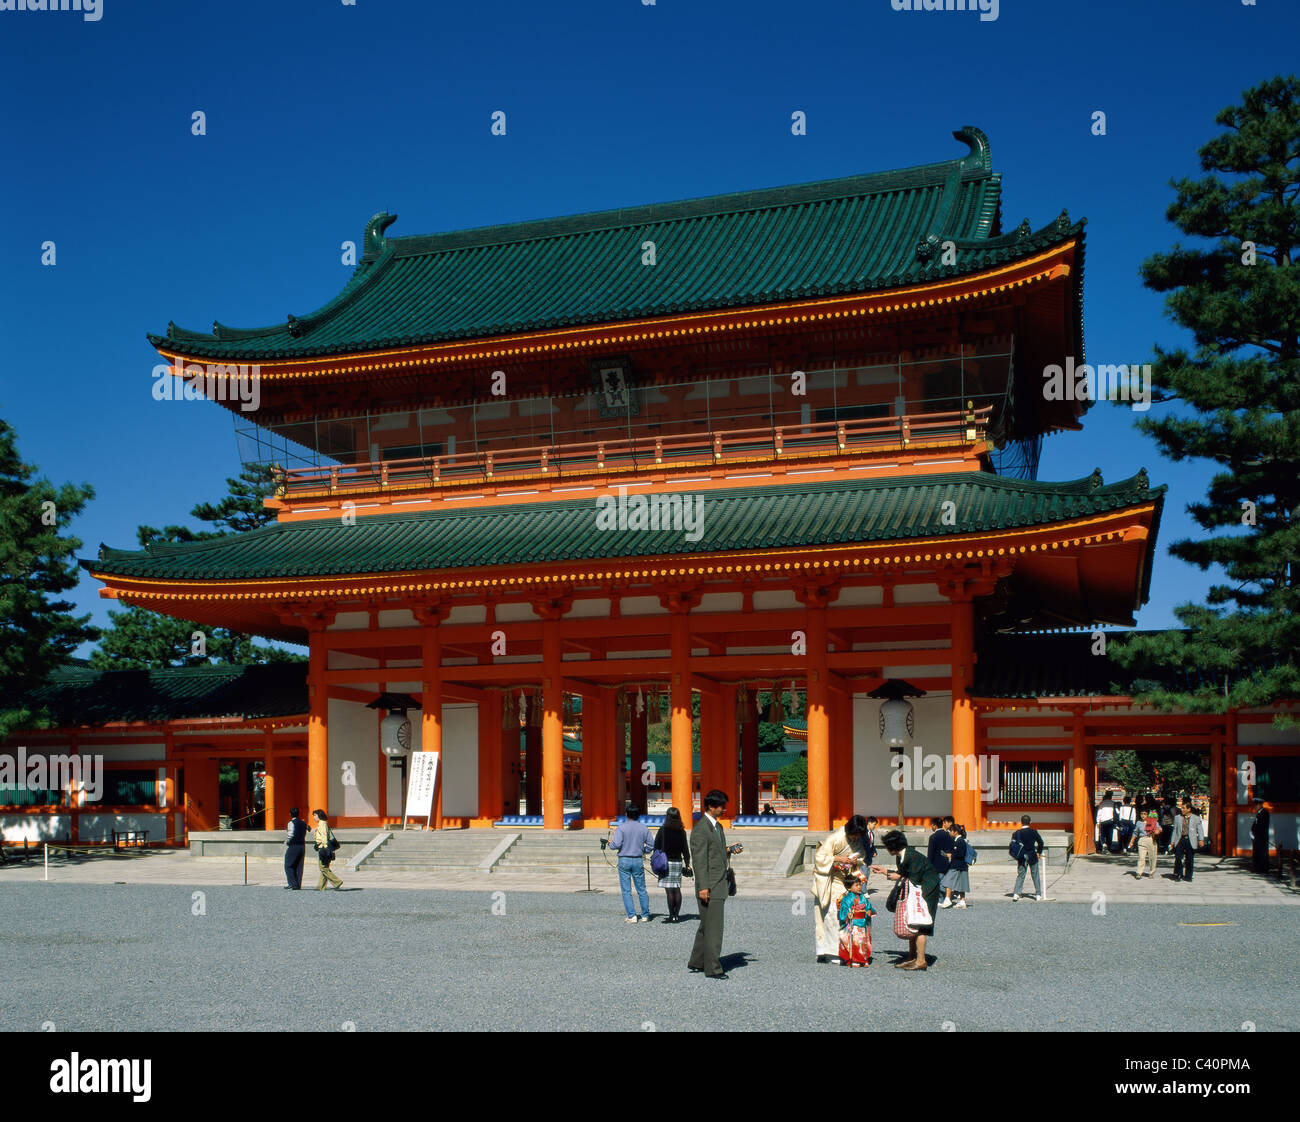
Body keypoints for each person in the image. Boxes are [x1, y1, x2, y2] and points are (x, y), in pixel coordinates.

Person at [688, 789, 742, 979]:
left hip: (719, 882)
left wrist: (728, 850)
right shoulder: (701, 829)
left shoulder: (717, 827)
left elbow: (714, 852)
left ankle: (697, 961)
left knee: (706, 925)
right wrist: (703, 886)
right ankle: (713, 968)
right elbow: (700, 861)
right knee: (714, 929)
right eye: (721, 806)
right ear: (711, 806)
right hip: (710, 885)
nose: (724, 809)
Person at [871, 829, 939, 971]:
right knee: (911, 922)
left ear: (893, 846)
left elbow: (911, 878)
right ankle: (912, 956)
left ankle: (921, 961)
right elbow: (902, 875)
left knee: (921, 924)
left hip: (927, 890)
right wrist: (884, 871)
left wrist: (892, 875)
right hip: (916, 890)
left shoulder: (911, 856)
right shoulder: (902, 855)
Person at [811, 814, 871, 963]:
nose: (856, 838)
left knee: (848, 912)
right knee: (833, 913)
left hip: (847, 879)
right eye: (855, 834)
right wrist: (838, 859)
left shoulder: (856, 841)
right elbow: (820, 857)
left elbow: (862, 855)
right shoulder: (835, 838)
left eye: (858, 836)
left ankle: (846, 949)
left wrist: (856, 860)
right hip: (831, 879)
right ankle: (831, 952)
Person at [609, 804, 655, 923]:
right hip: (638, 859)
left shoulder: (621, 827)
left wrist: (610, 844)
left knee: (626, 890)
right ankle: (645, 915)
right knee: (641, 889)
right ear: (638, 815)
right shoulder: (644, 828)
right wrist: (644, 850)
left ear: (626, 814)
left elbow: (616, 845)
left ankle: (632, 915)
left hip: (624, 859)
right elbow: (651, 845)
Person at [653, 806, 691, 923]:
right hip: (678, 862)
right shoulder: (682, 831)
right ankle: (677, 915)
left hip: (665, 862)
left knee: (669, 891)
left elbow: (656, 846)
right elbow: (685, 849)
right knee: (677, 889)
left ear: (667, 816)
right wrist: (687, 863)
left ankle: (671, 915)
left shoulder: (663, 830)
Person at [836, 872, 875, 967]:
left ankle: (863, 958)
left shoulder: (863, 897)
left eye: (860, 885)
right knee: (855, 942)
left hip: (863, 923)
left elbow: (868, 906)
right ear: (849, 888)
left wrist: (869, 910)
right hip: (853, 924)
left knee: (863, 941)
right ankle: (855, 959)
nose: (859, 887)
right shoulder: (847, 899)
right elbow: (843, 910)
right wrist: (847, 914)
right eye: (856, 885)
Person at [1169, 797, 1205, 883]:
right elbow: (1175, 830)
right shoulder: (1177, 818)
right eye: (1182, 808)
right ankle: (1178, 874)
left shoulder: (1196, 818)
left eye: (1184, 808)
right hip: (1180, 839)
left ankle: (1188, 876)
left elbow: (1200, 829)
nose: (1182, 809)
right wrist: (1172, 841)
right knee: (1178, 857)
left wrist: (1201, 839)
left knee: (1189, 858)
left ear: (1189, 809)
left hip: (1190, 839)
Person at [1010, 814, 1044, 901]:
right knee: (1035, 875)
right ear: (1030, 822)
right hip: (1032, 855)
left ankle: (1016, 893)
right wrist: (1039, 852)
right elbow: (1041, 842)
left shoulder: (1016, 833)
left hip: (1021, 857)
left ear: (1021, 822)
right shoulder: (1033, 832)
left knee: (1021, 875)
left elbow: (1013, 845)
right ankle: (1038, 894)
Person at [939, 823, 970, 908]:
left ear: (955, 832)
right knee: (961, 884)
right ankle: (962, 901)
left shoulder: (959, 841)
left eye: (951, 831)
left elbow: (960, 854)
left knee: (947, 881)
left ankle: (947, 899)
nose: (949, 832)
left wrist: (951, 855)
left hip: (956, 865)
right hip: (962, 866)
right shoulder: (961, 840)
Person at [312, 809, 343, 891]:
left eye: (315, 815)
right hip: (323, 846)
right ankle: (321, 887)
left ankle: (337, 881)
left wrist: (325, 847)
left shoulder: (322, 824)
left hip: (323, 847)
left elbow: (324, 836)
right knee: (324, 867)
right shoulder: (322, 823)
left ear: (319, 815)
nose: (314, 817)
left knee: (322, 867)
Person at [284, 806, 308, 889]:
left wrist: (287, 842)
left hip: (294, 845)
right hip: (302, 845)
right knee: (299, 866)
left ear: (290, 814)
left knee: (288, 865)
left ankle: (293, 883)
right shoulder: (303, 823)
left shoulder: (291, 823)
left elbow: (290, 834)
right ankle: (298, 883)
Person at [1133, 810, 1159, 878]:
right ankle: (1139, 872)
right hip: (1142, 840)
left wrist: (1157, 831)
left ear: (1148, 814)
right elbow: (1135, 833)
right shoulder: (1138, 823)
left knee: (1152, 858)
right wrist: (1131, 842)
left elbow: (1159, 829)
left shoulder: (1153, 821)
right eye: (1141, 813)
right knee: (1141, 857)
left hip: (1151, 839)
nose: (1143, 815)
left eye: (1144, 813)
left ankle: (1151, 873)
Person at [1250, 798, 1271, 874]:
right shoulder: (1259, 813)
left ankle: (1263, 869)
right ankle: (1257, 868)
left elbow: (1261, 826)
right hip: (1257, 837)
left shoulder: (1264, 813)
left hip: (1261, 837)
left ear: (1260, 804)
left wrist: (1255, 833)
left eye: (1256, 805)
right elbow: (1255, 824)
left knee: (1262, 853)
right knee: (1257, 853)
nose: (1255, 806)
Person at [1095, 790, 1118, 854]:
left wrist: (1098, 822)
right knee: (1109, 835)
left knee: (1102, 834)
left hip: (1103, 821)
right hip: (1110, 821)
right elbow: (1117, 812)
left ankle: (1103, 845)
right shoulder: (1113, 803)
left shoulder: (1102, 803)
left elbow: (1099, 813)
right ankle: (1109, 848)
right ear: (1111, 796)